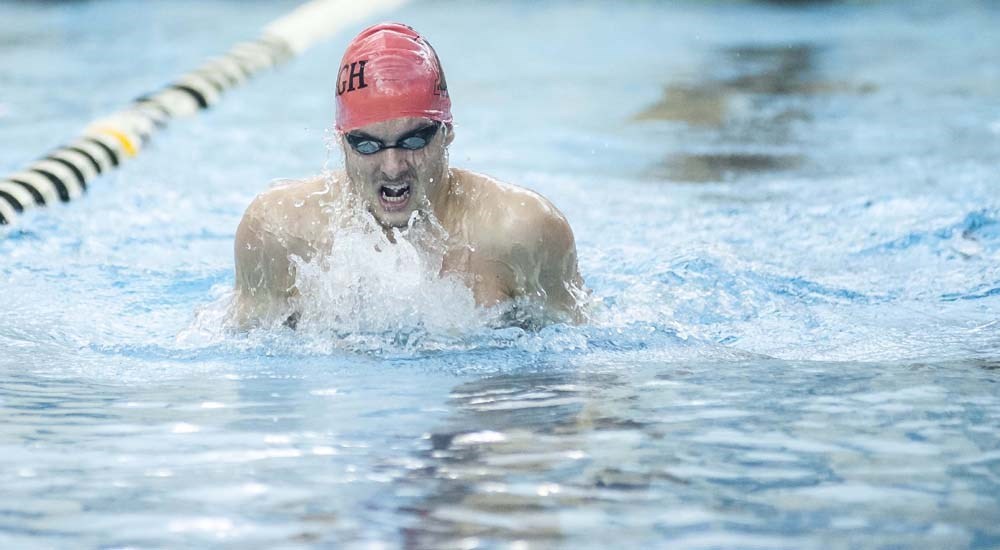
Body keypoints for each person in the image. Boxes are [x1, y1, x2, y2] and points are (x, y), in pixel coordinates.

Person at [232, 22, 586, 329]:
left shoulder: (522, 231)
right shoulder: (278, 232)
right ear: (341, 142)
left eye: (413, 140)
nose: (392, 166)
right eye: (367, 145)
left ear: (447, 131)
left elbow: (581, 361)